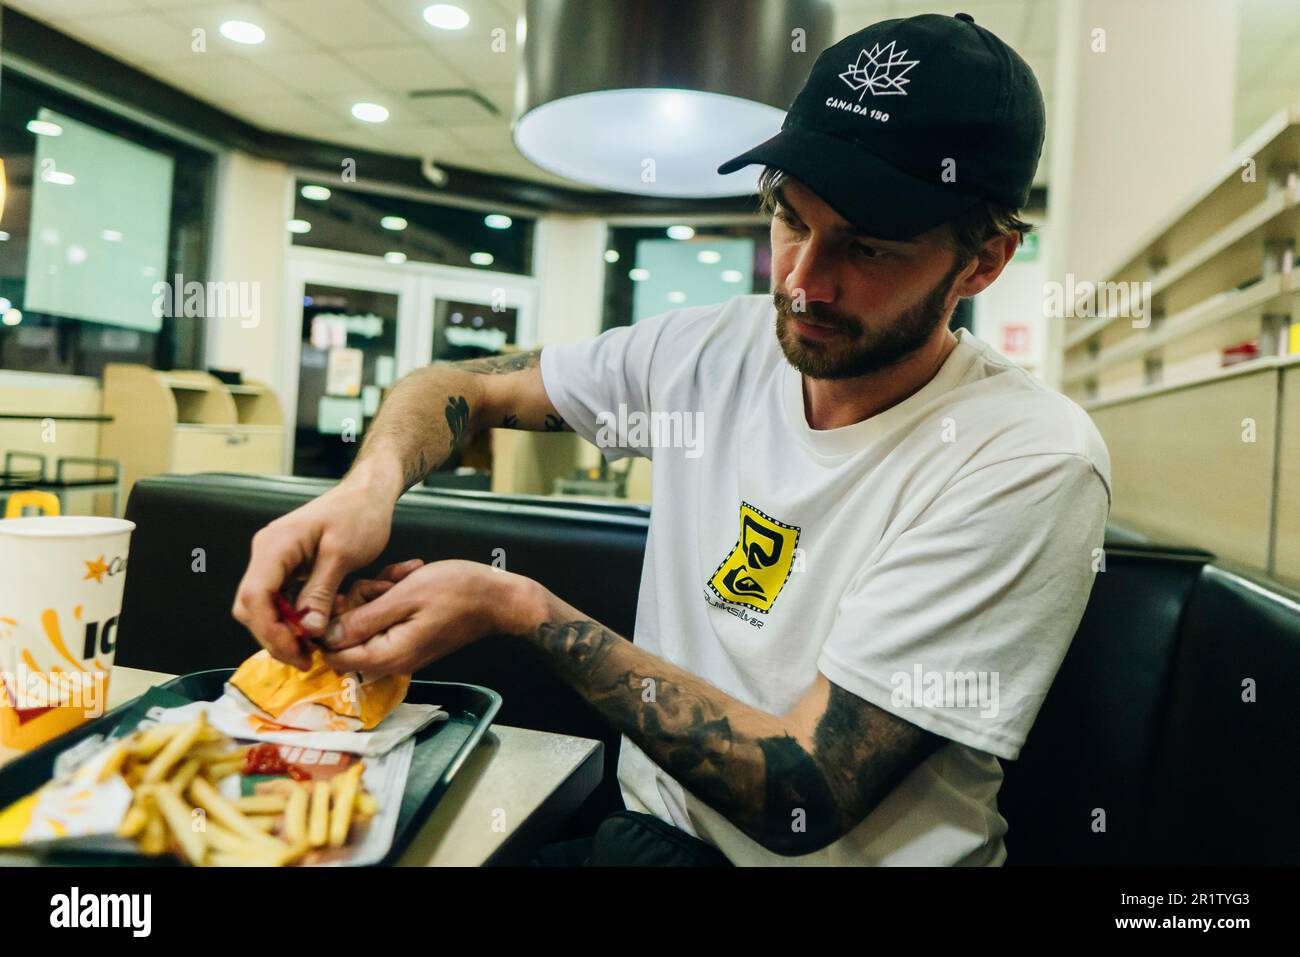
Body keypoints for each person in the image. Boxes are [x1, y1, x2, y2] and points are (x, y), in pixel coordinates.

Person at [233, 12, 1110, 866]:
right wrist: (366, 487)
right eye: (791, 218)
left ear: (986, 259)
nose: (803, 282)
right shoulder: (710, 349)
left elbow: (804, 790)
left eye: (869, 247)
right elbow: (465, 386)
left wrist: (518, 609)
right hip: (647, 837)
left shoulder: (1025, 456)